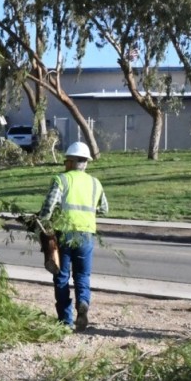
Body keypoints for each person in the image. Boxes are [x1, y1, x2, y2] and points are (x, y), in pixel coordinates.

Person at [37, 141, 108, 332]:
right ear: (85, 162)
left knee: (61, 276)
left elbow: (48, 208)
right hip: (86, 234)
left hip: (64, 234)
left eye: (66, 160)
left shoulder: (62, 179)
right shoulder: (95, 183)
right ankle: (83, 304)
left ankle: (65, 320)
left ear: (70, 161)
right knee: (82, 275)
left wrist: (40, 223)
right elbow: (104, 209)